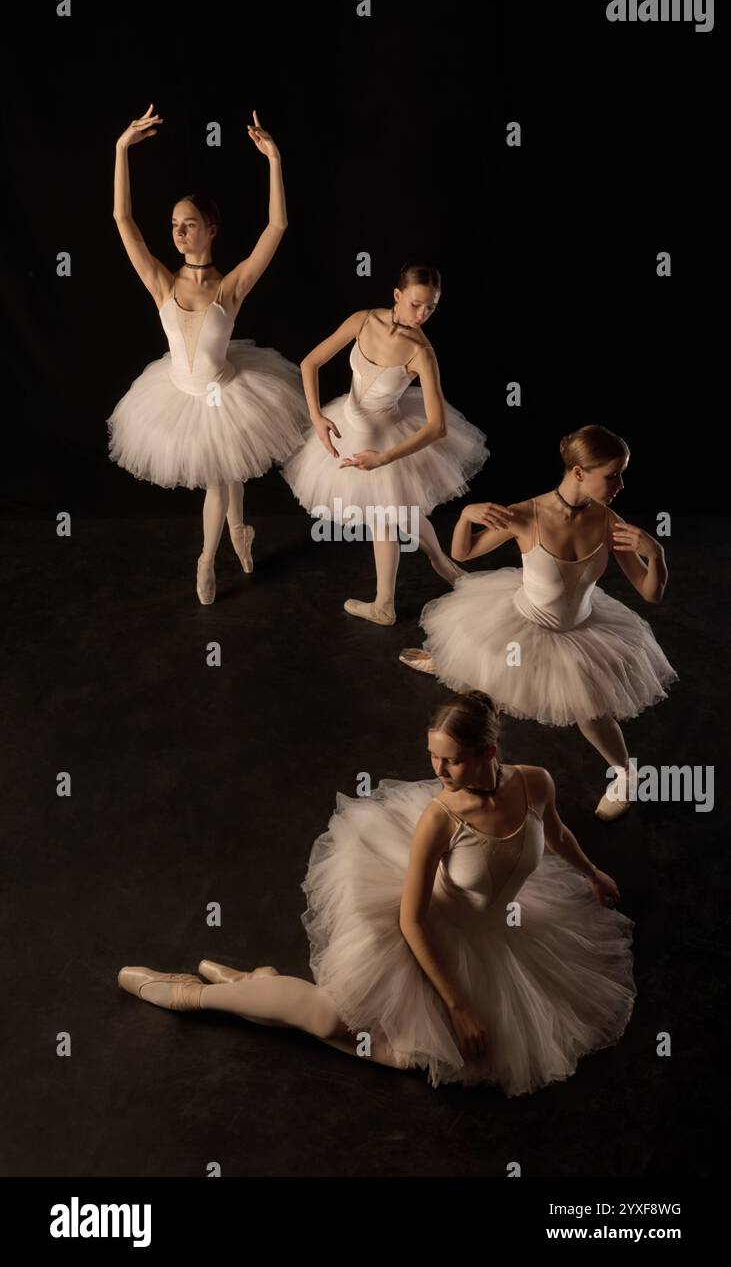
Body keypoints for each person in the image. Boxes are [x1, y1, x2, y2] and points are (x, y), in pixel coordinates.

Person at [118, 689, 636, 1097]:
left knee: (415, 1058)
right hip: (425, 931)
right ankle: (194, 995)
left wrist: (591, 872)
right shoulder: (441, 817)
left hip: (499, 934)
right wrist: (457, 1006)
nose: (437, 771)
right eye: (432, 757)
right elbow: (412, 920)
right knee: (328, 1019)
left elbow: (559, 833)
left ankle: (260, 985)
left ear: (489, 754)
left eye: (450, 761)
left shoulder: (534, 782)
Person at [400, 425, 677, 820]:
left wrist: (657, 555)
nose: (619, 484)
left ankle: (626, 775)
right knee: (489, 685)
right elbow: (463, 551)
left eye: (621, 473)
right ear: (579, 472)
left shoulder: (609, 522)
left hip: (580, 630)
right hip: (521, 621)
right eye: (612, 475)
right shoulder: (527, 514)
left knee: (592, 713)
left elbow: (651, 593)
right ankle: (445, 662)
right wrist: (465, 515)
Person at [107, 103, 311, 604]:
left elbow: (277, 229)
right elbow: (122, 217)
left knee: (223, 475)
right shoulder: (161, 282)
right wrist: (120, 150)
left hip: (224, 393)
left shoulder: (231, 286)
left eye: (190, 223)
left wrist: (275, 162)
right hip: (177, 393)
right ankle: (240, 533)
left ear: (211, 230)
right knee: (228, 472)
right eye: (175, 223)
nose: (178, 231)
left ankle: (205, 559)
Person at [279, 264, 489, 624]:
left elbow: (438, 427)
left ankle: (384, 605)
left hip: (386, 440)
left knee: (383, 517)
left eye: (431, 308)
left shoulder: (421, 352)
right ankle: (441, 562)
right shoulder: (362, 321)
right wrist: (317, 417)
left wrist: (385, 458)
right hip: (348, 427)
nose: (422, 315)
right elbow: (310, 362)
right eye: (416, 304)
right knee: (402, 509)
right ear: (397, 296)